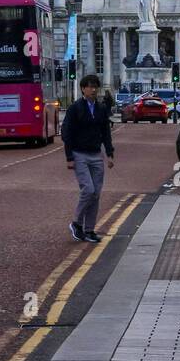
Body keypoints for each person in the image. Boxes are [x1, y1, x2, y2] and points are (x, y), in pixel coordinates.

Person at [61, 73, 115, 244]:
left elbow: (105, 132)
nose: (93, 90)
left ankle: (89, 229)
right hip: (79, 154)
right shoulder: (75, 108)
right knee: (88, 190)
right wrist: (69, 157)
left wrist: (109, 153)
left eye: (95, 87)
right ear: (83, 89)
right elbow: (66, 133)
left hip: (96, 155)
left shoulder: (100, 109)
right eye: (89, 87)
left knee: (96, 194)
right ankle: (76, 223)